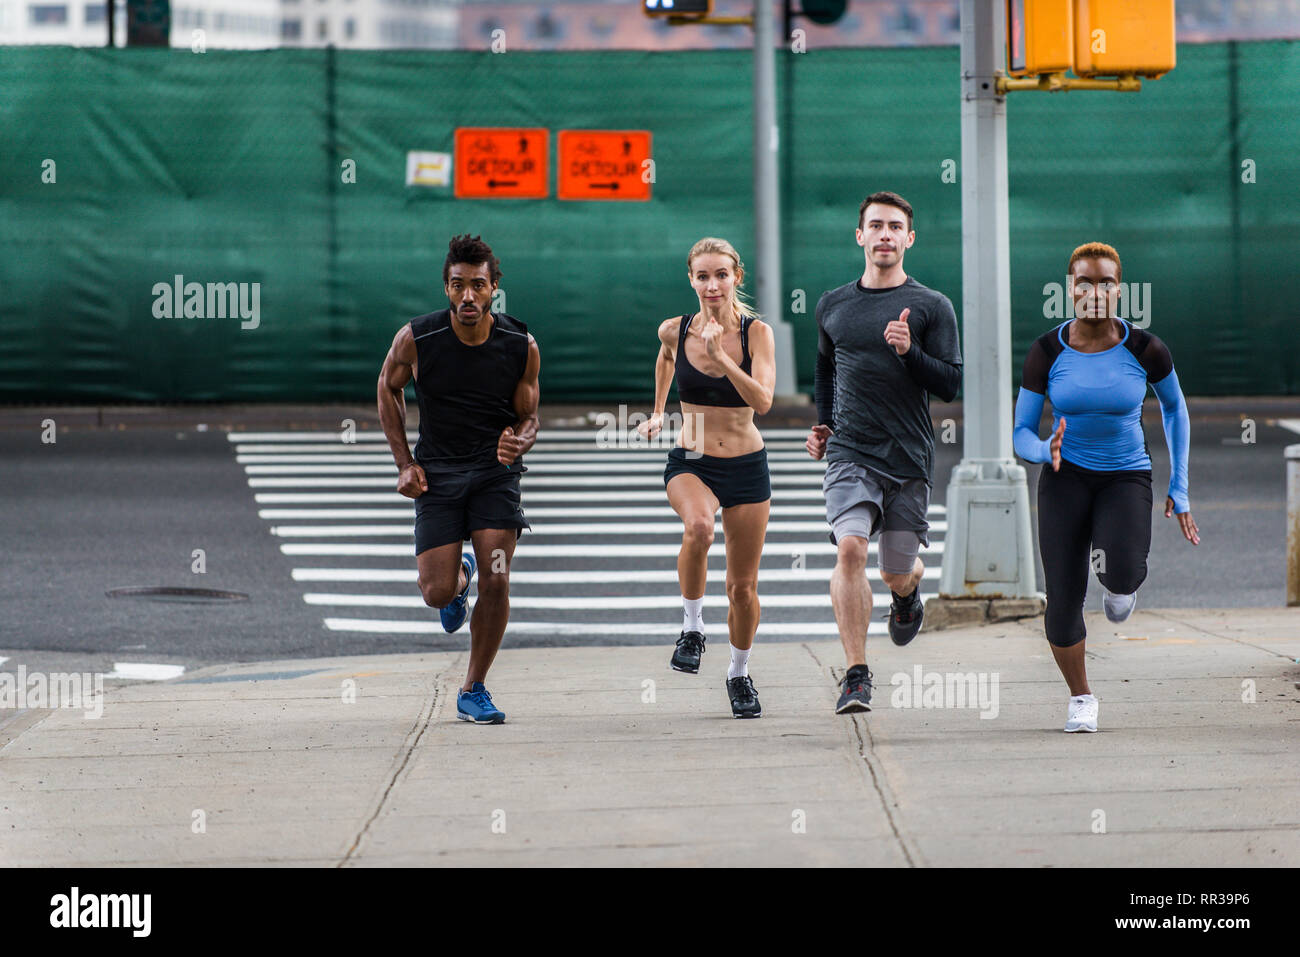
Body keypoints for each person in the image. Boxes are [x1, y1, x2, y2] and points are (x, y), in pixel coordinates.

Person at [1014, 242, 1198, 733]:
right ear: (1069, 289)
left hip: (1125, 476)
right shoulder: (1046, 351)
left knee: (1121, 573)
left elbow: (1176, 409)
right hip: (1063, 478)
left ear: (1120, 289)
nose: (1095, 292)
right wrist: (1042, 451)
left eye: (1106, 283)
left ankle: (1119, 586)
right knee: (1062, 601)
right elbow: (1021, 433)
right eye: (1084, 283)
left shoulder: (1145, 348)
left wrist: (1179, 486)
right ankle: (1081, 697)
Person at [807, 191, 962, 714]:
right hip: (851, 451)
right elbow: (827, 367)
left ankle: (906, 589)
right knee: (849, 550)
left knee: (895, 567)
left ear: (909, 238)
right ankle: (856, 674)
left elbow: (949, 385)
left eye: (895, 227)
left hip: (909, 457)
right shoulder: (833, 304)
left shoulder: (931, 306)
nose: (885, 235)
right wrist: (823, 423)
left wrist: (908, 352)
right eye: (875, 225)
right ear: (860, 235)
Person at [377, 234, 541, 725]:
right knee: (436, 593)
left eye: (477, 286)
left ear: (494, 287)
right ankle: (458, 578)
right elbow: (388, 388)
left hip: (495, 475)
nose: (468, 296)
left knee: (498, 578)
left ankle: (474, 688)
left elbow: (530, 415)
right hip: (439, 475)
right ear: (446, 288)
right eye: (457, 286)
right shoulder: (417, 339)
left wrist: (521, 440)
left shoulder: (520, 344)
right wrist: (405, 462)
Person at [637, 237, 776, 718]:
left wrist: (720, 361)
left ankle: (739, 674)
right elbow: (665, 358)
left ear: (737, 275)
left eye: (721, 274)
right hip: (691, 460)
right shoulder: (675, 330)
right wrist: (658, 412)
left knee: (742, 589)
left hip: (745, 465)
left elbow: (763, 402)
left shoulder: (757, 333)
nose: (712, 284)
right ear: (691, 279)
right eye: (702, 276)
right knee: (698, 527)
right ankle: (692, 627)